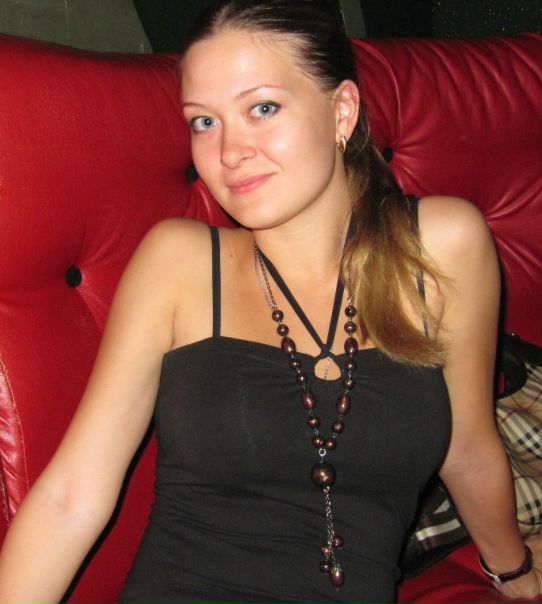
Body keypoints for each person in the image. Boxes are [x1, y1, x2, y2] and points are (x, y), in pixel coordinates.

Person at [0, 1, 541, 602]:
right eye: (203, 121)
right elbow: (72, 495)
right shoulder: (178, 263)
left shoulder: (441, 246)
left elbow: (467, 448)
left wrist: (515, 573)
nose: (229, 151)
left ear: (341, 111)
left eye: (262, 108)